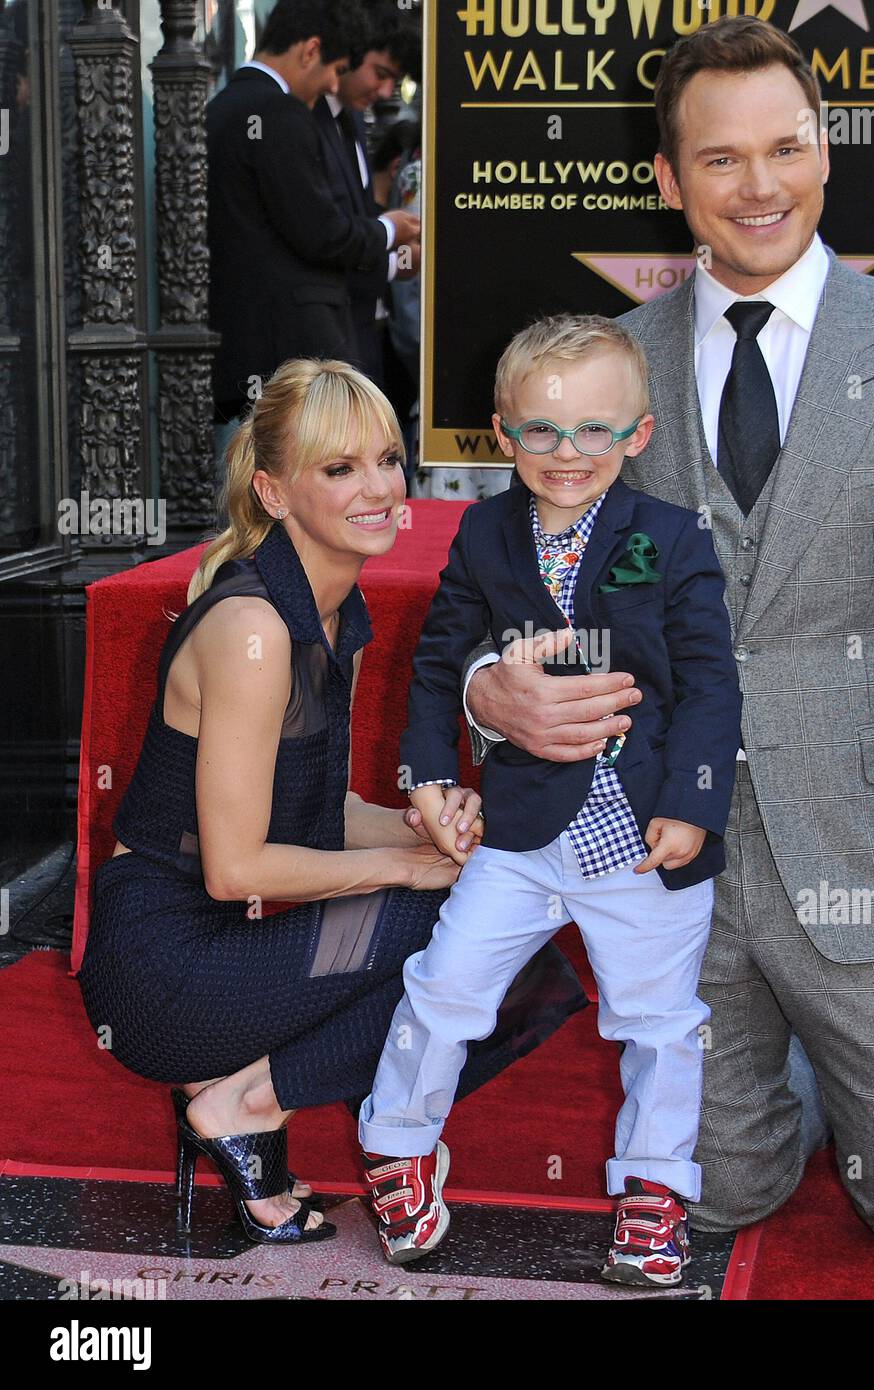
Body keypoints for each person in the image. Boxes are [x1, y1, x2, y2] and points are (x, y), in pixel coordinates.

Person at [465, 17, 874, 1258]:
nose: (759, 187)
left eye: (784, 149)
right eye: (721, 160)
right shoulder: (602, 369)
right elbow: (508, 602)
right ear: (668, 181)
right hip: (671, 867)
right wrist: (489, 694)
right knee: (721, 1197)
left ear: (825, 154)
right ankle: (799, 1078)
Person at [76, 359, 587, 1245]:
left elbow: (317, 806)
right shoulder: (253, 631)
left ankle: (246, 1095)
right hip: (164, 967)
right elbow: (238, 868)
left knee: (504, 909)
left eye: (387, 459)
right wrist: (411, 867)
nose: (381, 487)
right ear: (272, 491)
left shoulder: (331, 614)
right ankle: (245, 1098)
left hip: (231, 939)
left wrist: (435, 825)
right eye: (339, 468)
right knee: (474, 919)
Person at [358, 315, 742, 1287]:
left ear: (637, 435)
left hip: (644, 838)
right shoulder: (483, 531)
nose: (565, 453)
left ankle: (653, 1194)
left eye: (592, 431)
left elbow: (707, 681)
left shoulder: (668, 538)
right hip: (521, 831)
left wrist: (695, 803)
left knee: (658, 1020)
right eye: (539, 430)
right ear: (499, 432)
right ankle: (397, 1142)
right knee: (442, 984)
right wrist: (427, 777)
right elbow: (441, 659)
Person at [206, 0, 420, 422]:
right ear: (310, 50)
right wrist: (388, 230)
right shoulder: (278, 111)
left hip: (249, 346)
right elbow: (321, 233)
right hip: (285, 349)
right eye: (335, 69)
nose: (330, 84)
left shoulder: (227, 105)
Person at [311, 3, 421, 387]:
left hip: (360, 338)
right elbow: (322, 238)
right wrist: (389, 236)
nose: (386, 91)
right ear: (352, 52)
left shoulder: (352, 120)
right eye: (381, 73)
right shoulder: (306, 119)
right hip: (321, 352)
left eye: (396, 81)